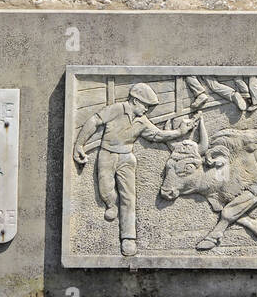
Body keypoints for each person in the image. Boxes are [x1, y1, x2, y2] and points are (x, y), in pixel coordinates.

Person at [73, 83, 198, 256]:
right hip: (107, 155)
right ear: (134, 100)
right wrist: (79, 144)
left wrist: (179, 131)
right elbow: (94, 121)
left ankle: (128, 238)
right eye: (145, 105)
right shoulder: (117, 109)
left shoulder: (142, 121)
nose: (147, 109)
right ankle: (110, 203)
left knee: (129, 197)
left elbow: (157, 135)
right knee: (106, 189)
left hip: (127, 158)